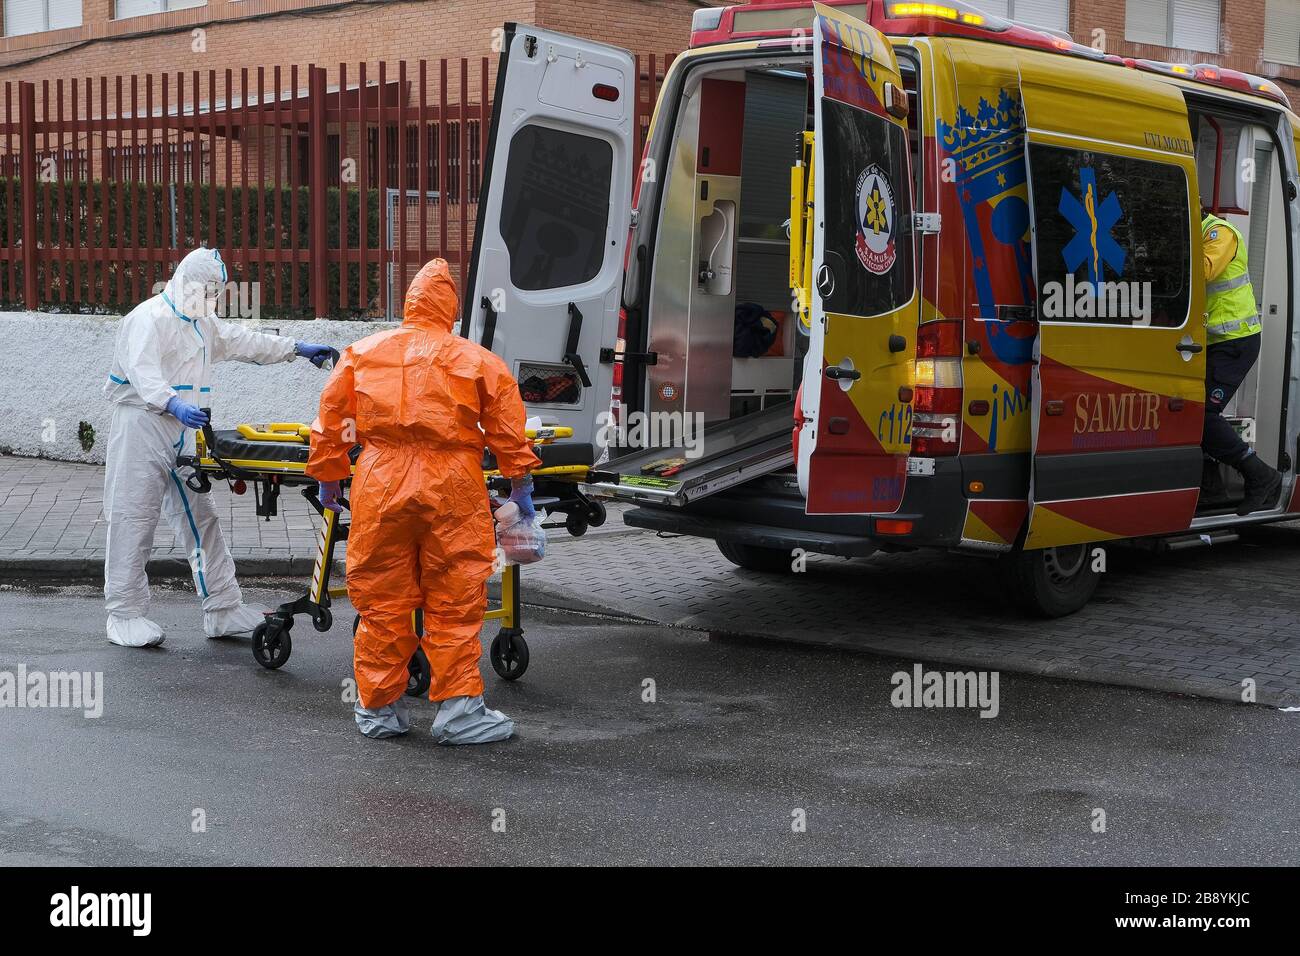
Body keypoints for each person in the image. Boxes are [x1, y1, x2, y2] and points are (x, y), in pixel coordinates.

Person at [308, 258, 540, 744]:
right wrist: (520, 486)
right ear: (450, 309)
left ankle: (377, 709)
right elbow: (507, 429)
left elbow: (331, 417)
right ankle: (459, 713)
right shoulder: (477, 360)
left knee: (381, 598)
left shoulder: (364, 351)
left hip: (380, 481)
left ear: (410, 303)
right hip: (451, 484)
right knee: (456, 596)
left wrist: (331, 476)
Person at [103, 246, 338, 648]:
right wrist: (171, 401)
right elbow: (143, 373)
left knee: (202, 521)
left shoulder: (202, 324)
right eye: (206, 290)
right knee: (133, 519)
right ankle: (123, 615)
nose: (211, 299)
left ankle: (223, 608)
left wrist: (296, 348)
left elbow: (244, 341)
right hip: (142, 429)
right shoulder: (147, 319)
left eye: (216, 292)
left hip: (182, 432)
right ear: (184, 282)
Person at [1199, 208, 1282, 515]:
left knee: (1203, 415)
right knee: (1188, 412)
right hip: (1213, 342)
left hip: (1236, 341)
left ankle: (1261, 475)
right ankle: (1212, 488)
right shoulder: (1202, 233)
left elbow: (1204, 270)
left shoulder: (1218, 232)